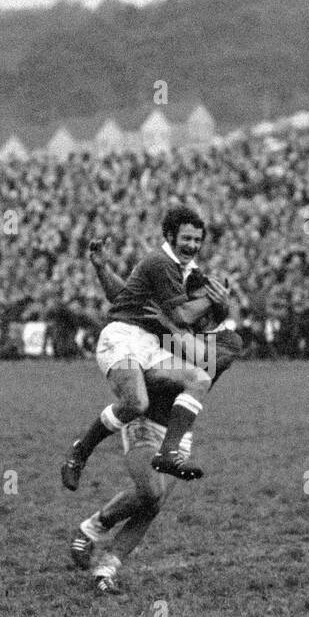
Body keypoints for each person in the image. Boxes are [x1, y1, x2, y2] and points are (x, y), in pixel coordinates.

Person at [59, 205, 230, 490]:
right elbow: (181, 317)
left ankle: (168, 453)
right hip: (122, 337)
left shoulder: (186, 271)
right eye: (186, 238)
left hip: (150, 343)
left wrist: (102, 268)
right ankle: (80, 452)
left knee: (199, 378)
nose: (192, 245)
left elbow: (123, 298)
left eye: (197, 240)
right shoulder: (161, 263)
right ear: (169, 236)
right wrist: (214, 301)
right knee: (136, 403)